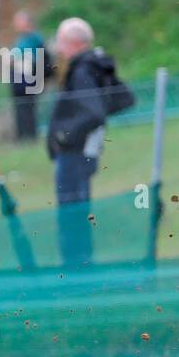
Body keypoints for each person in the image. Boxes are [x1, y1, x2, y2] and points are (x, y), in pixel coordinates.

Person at [47, 17, 124, 268]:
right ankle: (81, 266)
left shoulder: (82, 70)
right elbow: (118, 101)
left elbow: (94, 112)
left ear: (73, 42)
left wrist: (65, 135)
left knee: (72, 214)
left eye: (60, 41)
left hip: (75, 155)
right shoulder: (93, 67)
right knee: (79, 211)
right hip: (85, 152)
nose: (58, 48)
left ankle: (76, 269)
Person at [9, 10, 53, 142]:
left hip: (28, 80)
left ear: (26, 23)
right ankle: (23, 136)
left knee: (28, 108)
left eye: (18, 21)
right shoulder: (21, 39)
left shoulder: (35, 38)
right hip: (19, 81)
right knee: (20, 108)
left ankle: (30, 136)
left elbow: (40, 60)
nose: (15, 24)